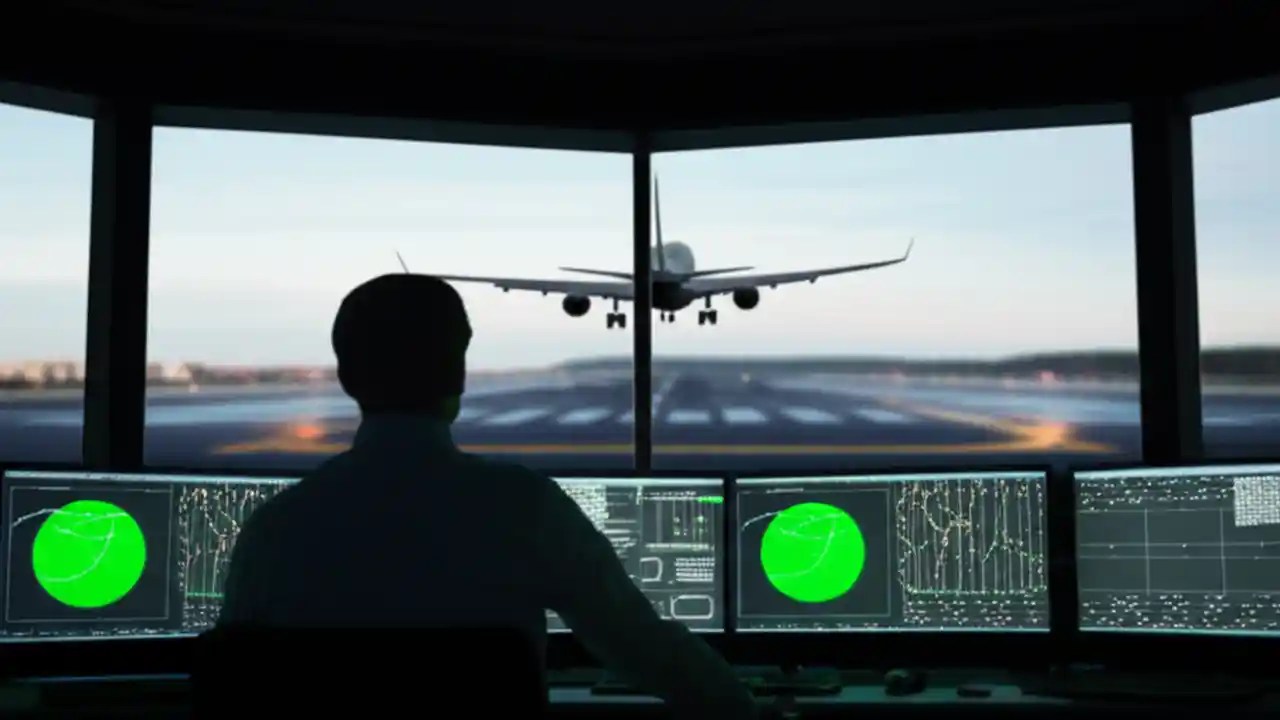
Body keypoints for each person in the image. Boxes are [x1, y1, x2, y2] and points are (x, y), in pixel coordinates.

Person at [219, 273, 760, 717]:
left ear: (345, 376)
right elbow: (646, 652)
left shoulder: (274, 530)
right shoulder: (525, 508)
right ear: (458, 373)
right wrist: (749, 709)